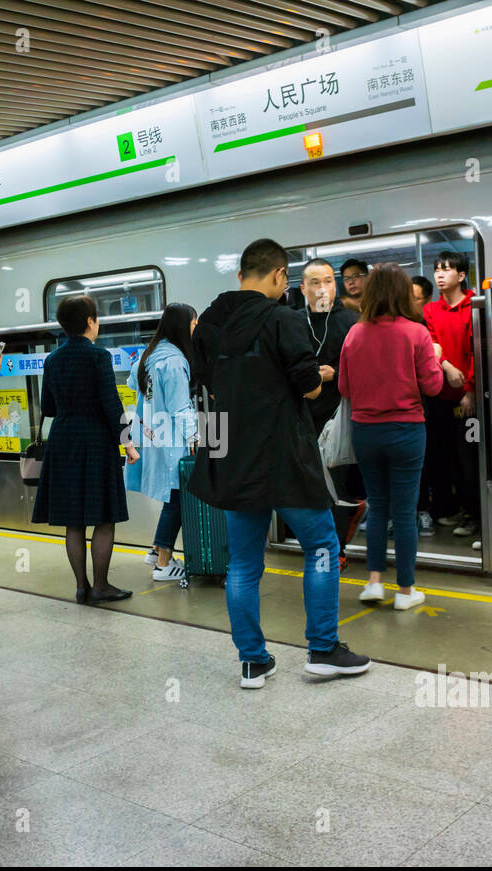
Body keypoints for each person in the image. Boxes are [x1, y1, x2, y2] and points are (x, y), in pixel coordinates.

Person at [188, 238, 371, 689]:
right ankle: (323, 648)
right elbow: (309, 387)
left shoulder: (208, 324)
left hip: (230, 453)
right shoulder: (283, 318)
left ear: (239, 276)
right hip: (285, 454)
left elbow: (208, 385)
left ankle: (252, 661)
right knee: (323, 546)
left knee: (244, 563)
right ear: (277, 276)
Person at [340, 264, 444, 609]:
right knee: (404, 511)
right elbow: (433, 386)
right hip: (405, 431)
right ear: (402, 292)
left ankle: (373, 583)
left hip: (365, 432)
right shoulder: (416, 333)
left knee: (377, 505)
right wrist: (437, 358)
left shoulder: (355, 334)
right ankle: (405, 591)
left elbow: (343, 387)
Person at [32, 294, 139, 604]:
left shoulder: (52, 360)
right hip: (95, 441)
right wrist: (128, 445)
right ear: (91, 321)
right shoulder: (98, 356)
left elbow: (48, 406)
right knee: (104, 517)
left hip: (63, 441)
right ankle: (102, 586)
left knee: (73, 520)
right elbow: (110, 404)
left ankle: (82, 587)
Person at [125, 303, 197, 581]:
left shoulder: (150, 354)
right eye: (193, 324)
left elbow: (133, 384)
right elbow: (181, 409)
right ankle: (163, 565)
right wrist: (196, 439)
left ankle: (156, 551)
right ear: (183, 326)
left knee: (172, 496)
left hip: (152, 435)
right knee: (177, 498)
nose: (195, 329)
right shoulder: (176, 360)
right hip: (172, 440)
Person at [298, 257, 363, 568]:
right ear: (303, 289)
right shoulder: (293, 322)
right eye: (315, 282)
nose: (322, 288)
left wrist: (335, 374)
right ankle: (319, 541)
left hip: (340, 415)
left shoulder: (351, 321)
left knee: (337, 485)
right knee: (311, 486)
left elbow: (366, 368)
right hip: (301, 416)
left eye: (327, 281)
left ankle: (336, 549)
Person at [422, 252, 480, 540]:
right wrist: (445, 366)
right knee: (448, 459)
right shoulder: (431, 310)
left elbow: (477, 350)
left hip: (470, 401)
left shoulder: (474, 307)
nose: (440, 274)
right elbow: (431, 345)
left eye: (446, 269)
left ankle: (476, 516)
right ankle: (461, 509)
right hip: (441, 397)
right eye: (437, 270)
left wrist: (469, 389)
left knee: (471, 459)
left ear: (461, 275)